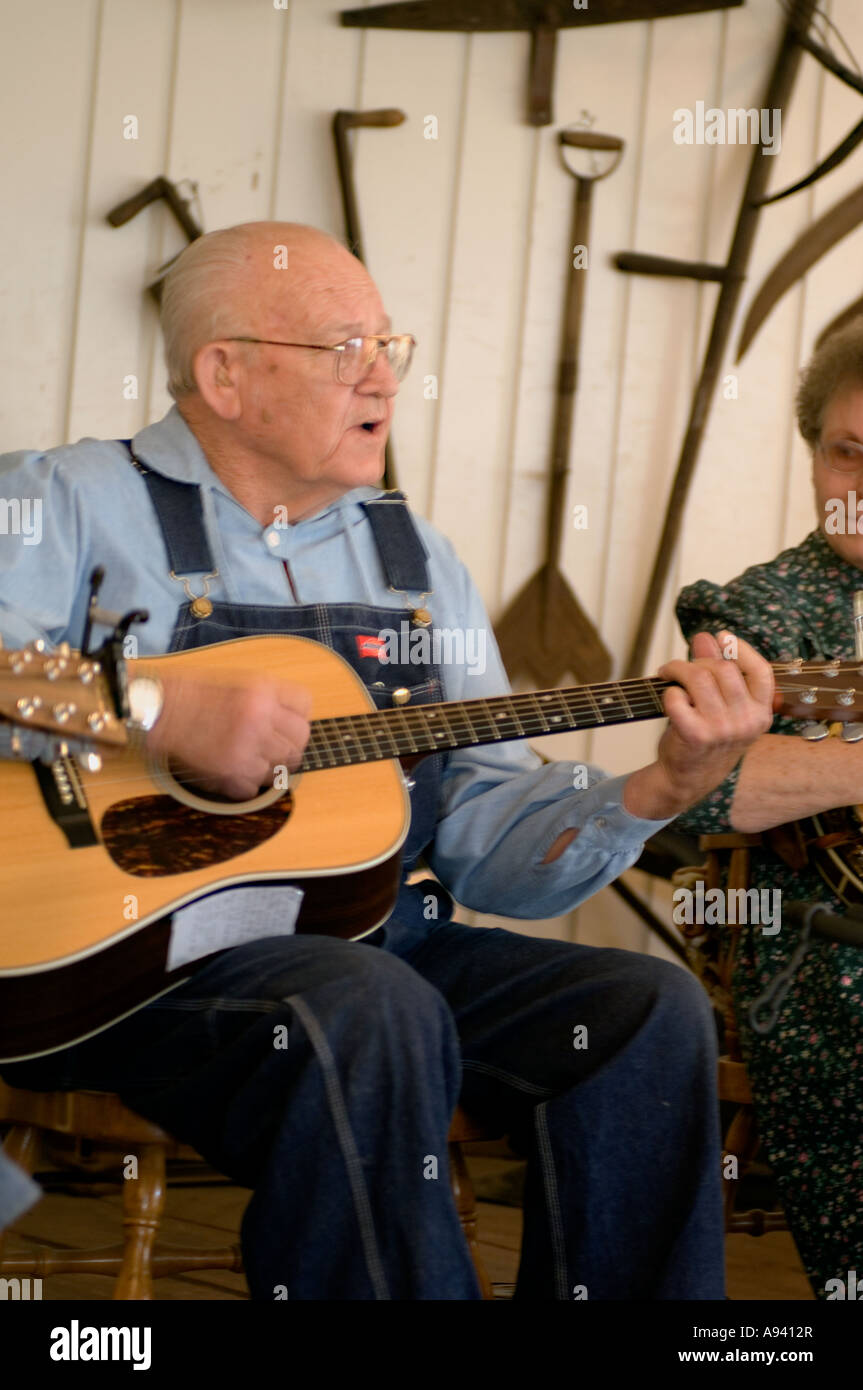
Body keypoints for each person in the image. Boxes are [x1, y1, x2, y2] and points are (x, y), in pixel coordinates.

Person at [0, 222, 773, 1300]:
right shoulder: (68, 498)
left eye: (389, 347)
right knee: (366, 1002)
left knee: (644, 1008)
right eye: (344, 347)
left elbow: (484, 851)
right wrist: (156, 712)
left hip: (365, 935)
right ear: (224, 372)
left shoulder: (417, 563)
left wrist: (659, 788)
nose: (384, 377)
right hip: (115, 967)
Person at [676, 318, 863, 1299]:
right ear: (811, 454)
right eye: (845, 452)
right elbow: (718, 780)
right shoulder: (757, 611)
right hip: (824, 944)